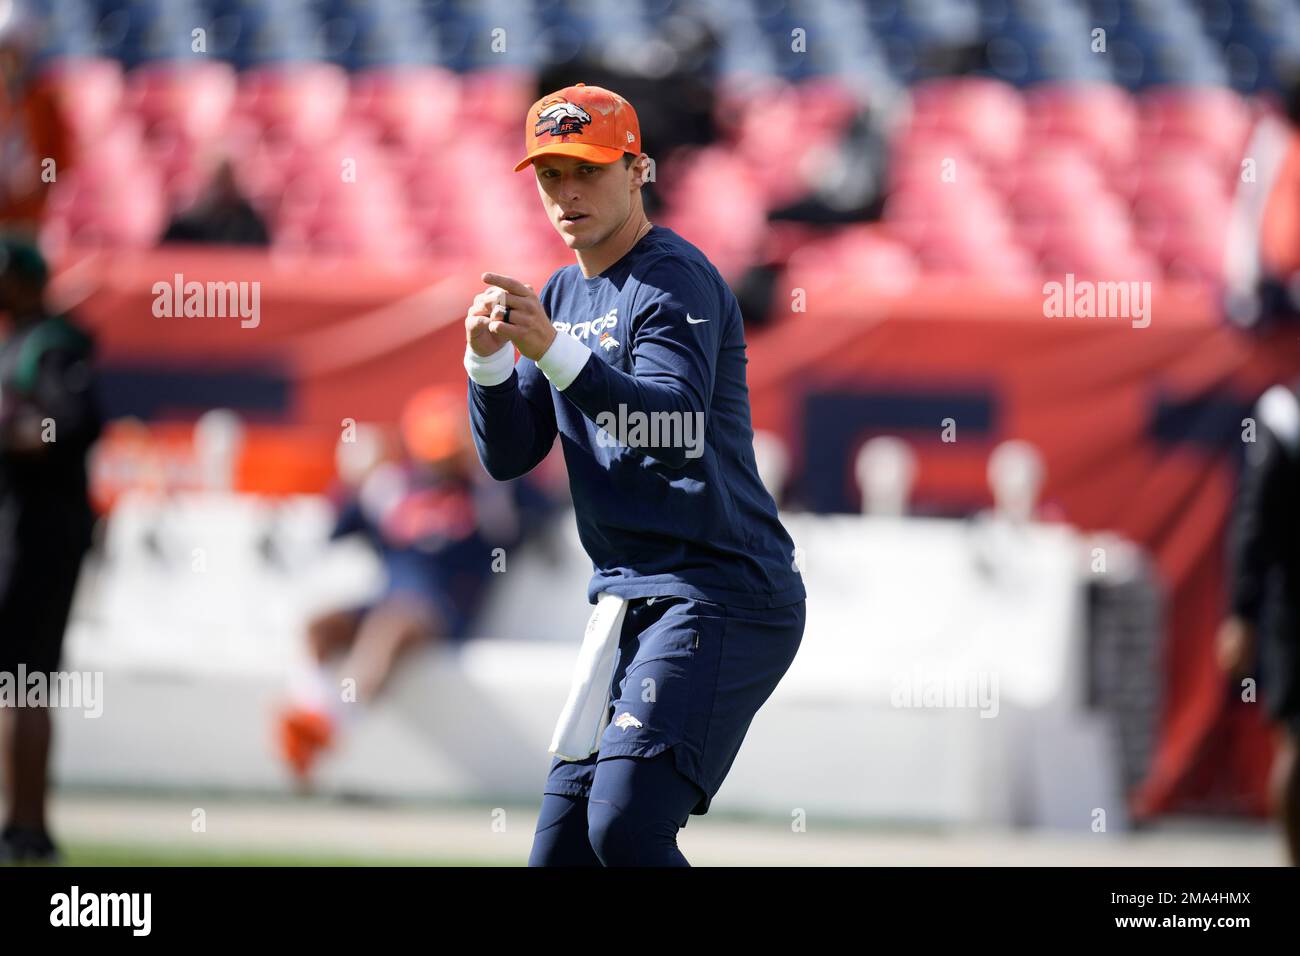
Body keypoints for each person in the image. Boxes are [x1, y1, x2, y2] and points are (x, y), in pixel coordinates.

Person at [463, 83, 806, 866]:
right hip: (631, 595)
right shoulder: (560, 291)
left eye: (585, 169)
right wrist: (485, 366)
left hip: (722, 589)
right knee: (562, 855)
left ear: (637, 168)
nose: (568, 192)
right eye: (550, 174)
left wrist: (551, 350)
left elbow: (675, 429)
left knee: (624, 827)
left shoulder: (673, 278)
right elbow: (511, 455)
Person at [277, 384, 554, 780]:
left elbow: (546, 508)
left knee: (391, 624)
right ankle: (309, 716)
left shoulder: (494, 489)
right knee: (318, 625)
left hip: (444, 609)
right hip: (388, 599)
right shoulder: (391, 487)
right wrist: (358, 477)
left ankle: (329, 724)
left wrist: (492, 470)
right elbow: (334, 529)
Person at [0, 236, 102, 863]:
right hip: (17, 529)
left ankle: (27, 826)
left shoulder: (55, 347)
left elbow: (65, 427)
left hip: (39, 535)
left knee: (25, 680)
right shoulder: (20, 342)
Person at [1218, 377, 1300, 865]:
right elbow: (1255, 520)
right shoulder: (1284, 416)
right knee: (1295, 741)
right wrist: (1242, 613)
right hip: (1292, 606)